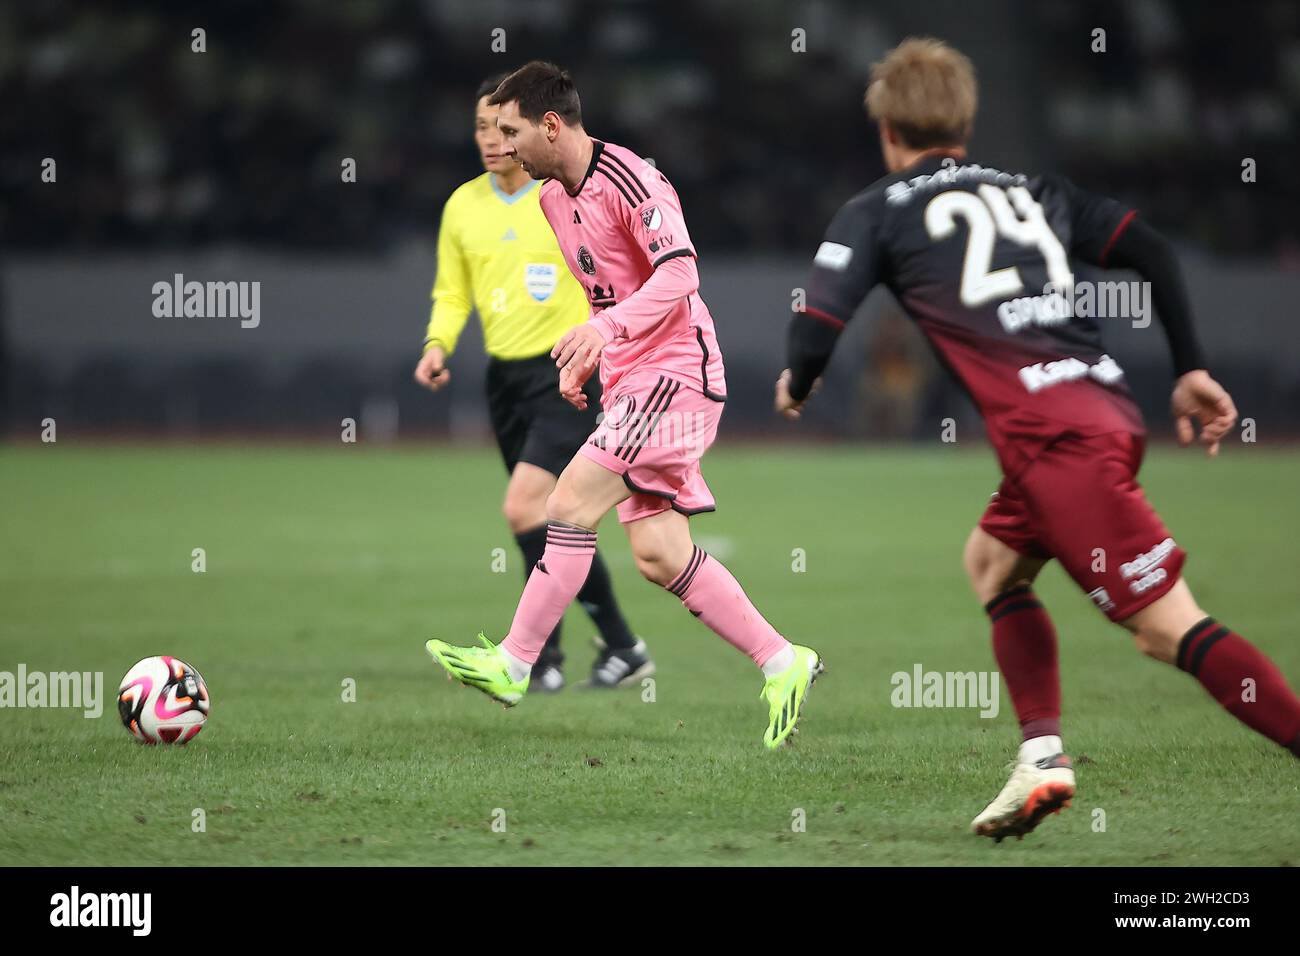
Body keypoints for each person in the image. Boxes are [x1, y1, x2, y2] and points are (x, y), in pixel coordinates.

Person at [778, 38, 1300, 838]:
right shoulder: (1034, 190)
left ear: (887, 130)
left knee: (1168, 630)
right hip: (1098, 413)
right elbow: (1151, 249)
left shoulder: (876, 210)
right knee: (992, 564)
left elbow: (817, 323)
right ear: (966, 119)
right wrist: (1189, 368)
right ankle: (1042, 756)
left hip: (1057, 443)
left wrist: (799, 382)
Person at [426, 61, 823, 749]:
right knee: (660, 555)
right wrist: (592, 358)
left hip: (677, 376)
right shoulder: (554, 199)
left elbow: (681, 270)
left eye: (514, 131)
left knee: (568, 503)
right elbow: (602, 292)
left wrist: (603, 333)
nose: (507, 146)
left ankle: (516, 664)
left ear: (552, 125)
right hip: (633, 379)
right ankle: (784, 661)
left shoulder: (633, 178)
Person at [415, 74, 652, 691]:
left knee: (527, 506)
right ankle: (620, 646)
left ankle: (536, 659)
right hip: (506, 382)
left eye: (502, 127)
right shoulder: (463, 206)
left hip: (566, 374)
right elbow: (451, 290)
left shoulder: (561, 197)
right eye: (480, 128)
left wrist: (610, 342)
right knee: (547, 519)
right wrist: (437, 343)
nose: (492, 140)